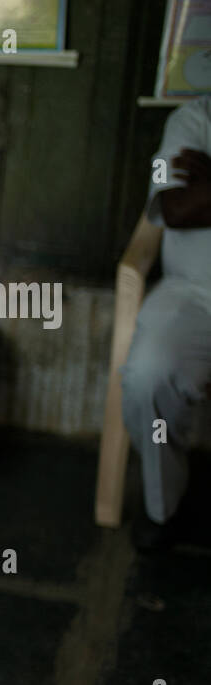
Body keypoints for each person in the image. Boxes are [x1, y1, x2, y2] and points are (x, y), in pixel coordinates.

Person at [121, 94, 211, 553]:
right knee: (149, 374)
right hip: (196, 291)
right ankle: (163, 507)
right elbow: (174, 207)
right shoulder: (194, 119)